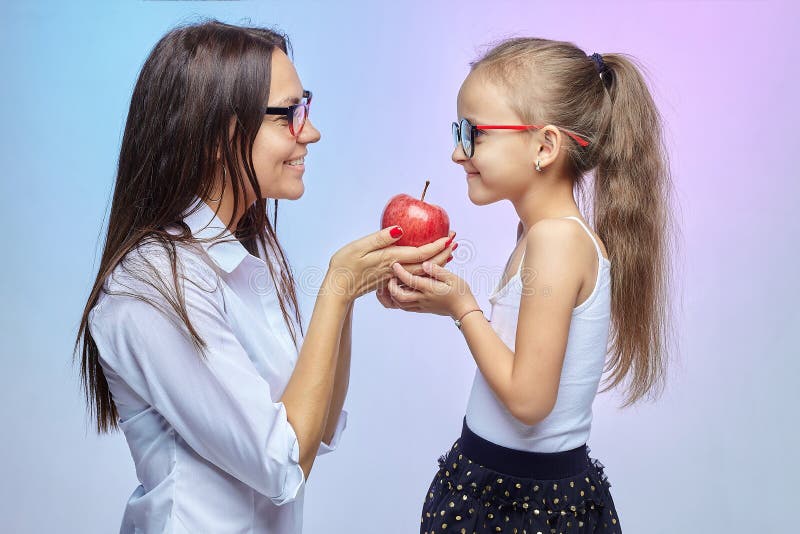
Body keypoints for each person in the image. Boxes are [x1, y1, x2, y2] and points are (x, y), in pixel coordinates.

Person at [73, 20, 456, 534]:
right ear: (219, 137)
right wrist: (336, 285)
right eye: (289, 116)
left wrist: (345, 296)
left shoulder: (247, 253)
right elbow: (283, 464)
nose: (311, 133)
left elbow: (315, 427)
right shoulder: (149, 287)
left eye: (307, 109)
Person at [380, 37, 677, 533]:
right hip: (497, 485)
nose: (457, 152)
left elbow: (529, 401)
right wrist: (437, 301)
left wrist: (462, 306)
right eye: (458, 131)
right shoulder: (539, 234)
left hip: (521, 506)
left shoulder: (557, 241)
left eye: (474, 133)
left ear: (545, 145)